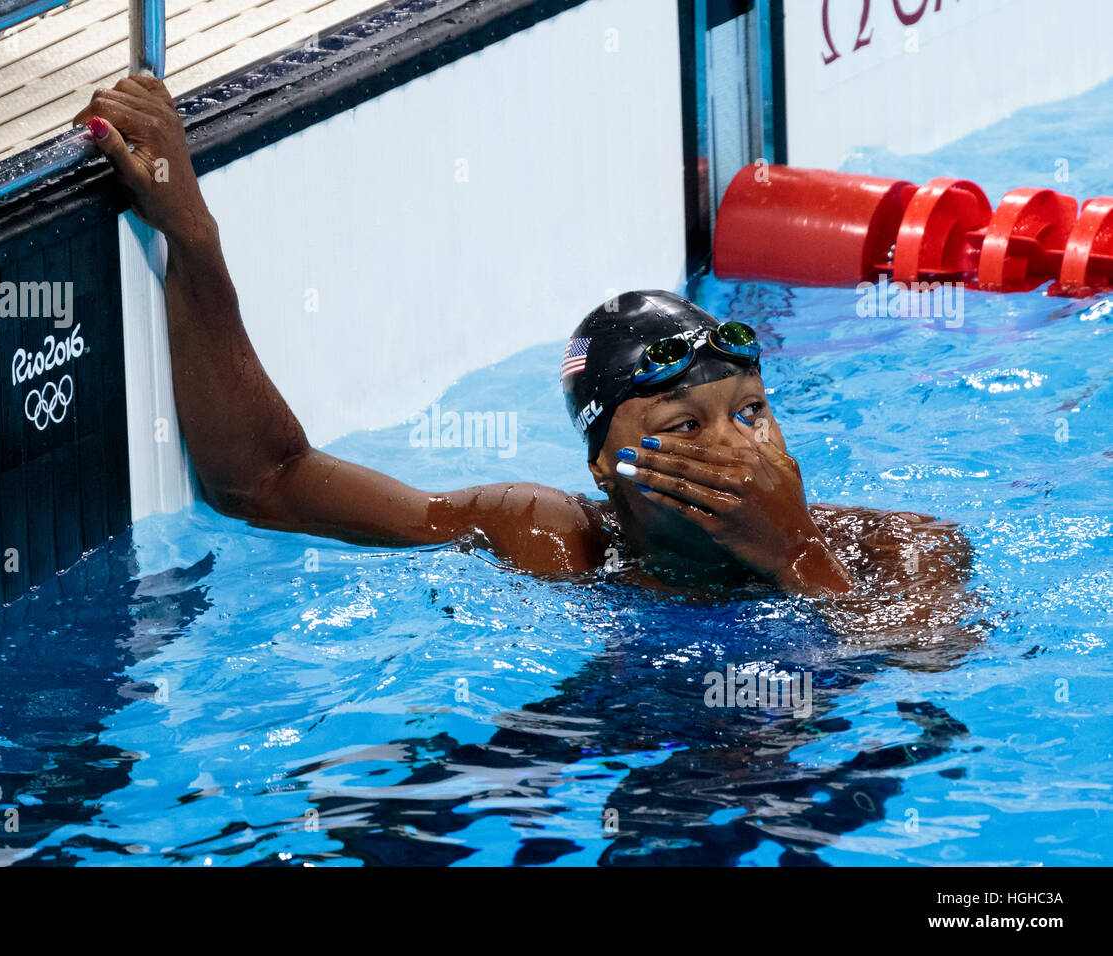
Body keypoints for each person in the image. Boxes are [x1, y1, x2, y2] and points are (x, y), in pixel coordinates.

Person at [73, 77, 973, 624]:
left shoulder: (904, 553)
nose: (734, 448)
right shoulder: (551, 536)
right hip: (603, 759)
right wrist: (192, 235)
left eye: (750, 413)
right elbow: (262, 482)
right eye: (681, 424)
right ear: (606, 464)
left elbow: (932, 677)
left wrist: (797, 554)